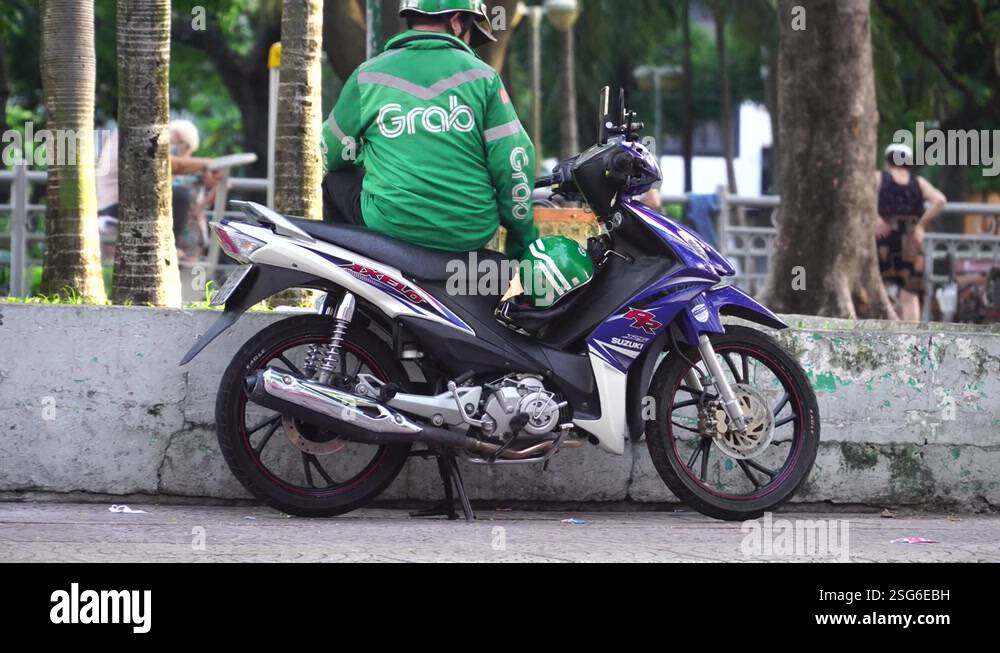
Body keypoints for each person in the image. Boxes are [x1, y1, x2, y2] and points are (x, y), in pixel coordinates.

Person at [320, 0, 540, 260]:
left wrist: (369, 155)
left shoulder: (368, 75)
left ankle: (350, 276)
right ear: (457, 21)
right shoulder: (484, 78)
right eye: (472, 32)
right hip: (469, 233)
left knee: (336, 181)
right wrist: (522, 236)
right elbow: (513, 161)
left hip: (391, 226)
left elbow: (331, 152)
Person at [96, 119, 213, 241]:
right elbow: (176, 165)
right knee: (180, 195)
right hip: (119, 205)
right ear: (177, 136)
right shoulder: (142, 133)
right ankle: (168, 247)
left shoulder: (129, 129)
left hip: (113, 204)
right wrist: (210, 163)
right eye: (185, 149)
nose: (185, 156)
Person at [875, 143, 947, 321]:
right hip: (911, 239)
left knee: (880, 287)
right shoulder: (918, 182)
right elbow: (940, 200)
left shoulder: (878, 178)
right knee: (910, 293)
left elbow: (861, 197)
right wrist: (920, 225)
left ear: (888, 160)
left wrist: (876, 219)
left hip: (885, 236)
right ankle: (910, 339)